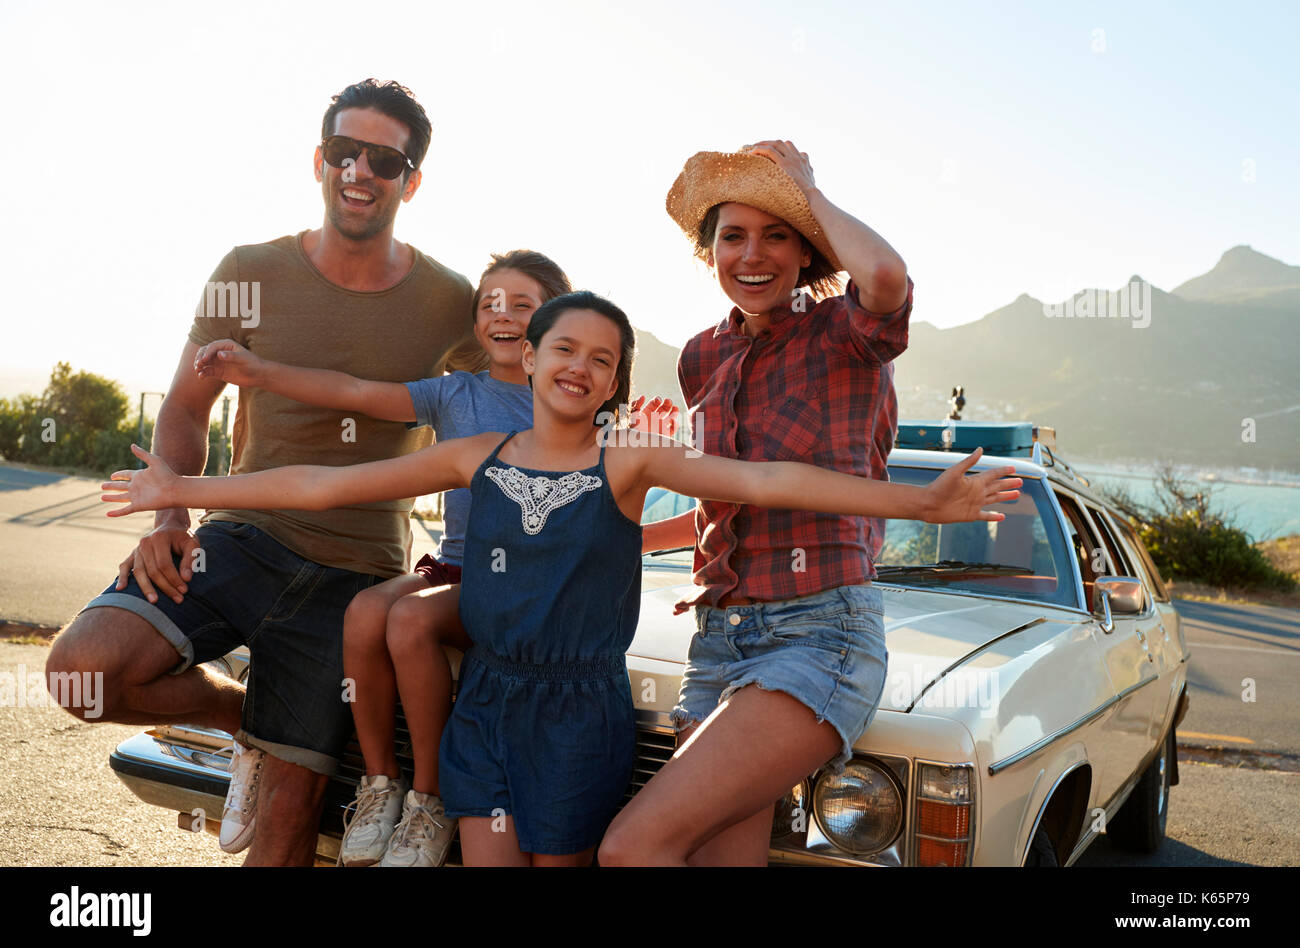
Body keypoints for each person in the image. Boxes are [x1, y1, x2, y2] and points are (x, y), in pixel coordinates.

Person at [102, 290, 1021, 866]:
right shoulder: (474, 455)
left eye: (603, 359)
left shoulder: (628, 463)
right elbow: (323, 481)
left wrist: (918, 506)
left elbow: (763, 479)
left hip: (579, 716)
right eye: (565, 349)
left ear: (616, 383)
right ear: (529, 357)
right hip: (488, 710)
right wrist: (179, 487)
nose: (580, 367)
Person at [45, 78, 477, 866]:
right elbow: (183, 409)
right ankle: (242, 715)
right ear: (320, 159)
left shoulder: (452, 302)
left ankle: (279, 738)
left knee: (279, 843)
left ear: (411, 181)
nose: (359, 172)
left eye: (384, 160)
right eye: (345, 151)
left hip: (358, 577)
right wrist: (170, 521)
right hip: (243, 536)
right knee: (82, 673)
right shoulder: (248, 269)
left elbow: (520, 392)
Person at [193, 252, 677, 867]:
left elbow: (607, 527)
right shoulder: (456, 395)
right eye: (488, 305)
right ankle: (382, 782)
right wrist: (259, 372)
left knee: (409, 621)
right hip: (452, 570)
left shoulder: (581, 412)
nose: (502, 317)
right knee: (367, 611)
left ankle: (432, 794)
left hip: (523, 594)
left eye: (521, 306)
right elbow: (356, 393)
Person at [600, 141, 916, 866]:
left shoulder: (843, 333)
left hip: (819, 633)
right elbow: (726, 505)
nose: (753, 254)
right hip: (717, 639)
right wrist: (624, 538)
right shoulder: (699, 356)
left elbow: (886, 277)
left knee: (632, 847)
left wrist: (806, 188)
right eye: (732, 236)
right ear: (708, 251)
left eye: (778, 234)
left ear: (807, 251)